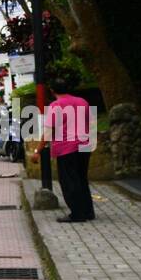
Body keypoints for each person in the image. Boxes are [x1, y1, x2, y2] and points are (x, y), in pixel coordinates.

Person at [43, 84, 96, 223]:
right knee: (82, 178)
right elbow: (91, 123)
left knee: (69, 181)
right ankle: (88, 211)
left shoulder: (56, 105)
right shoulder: (82, 101)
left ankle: (77, 213)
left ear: (52, 90)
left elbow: (48, 131)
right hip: (85, 145)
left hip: (67, 148)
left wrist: (38, 150)